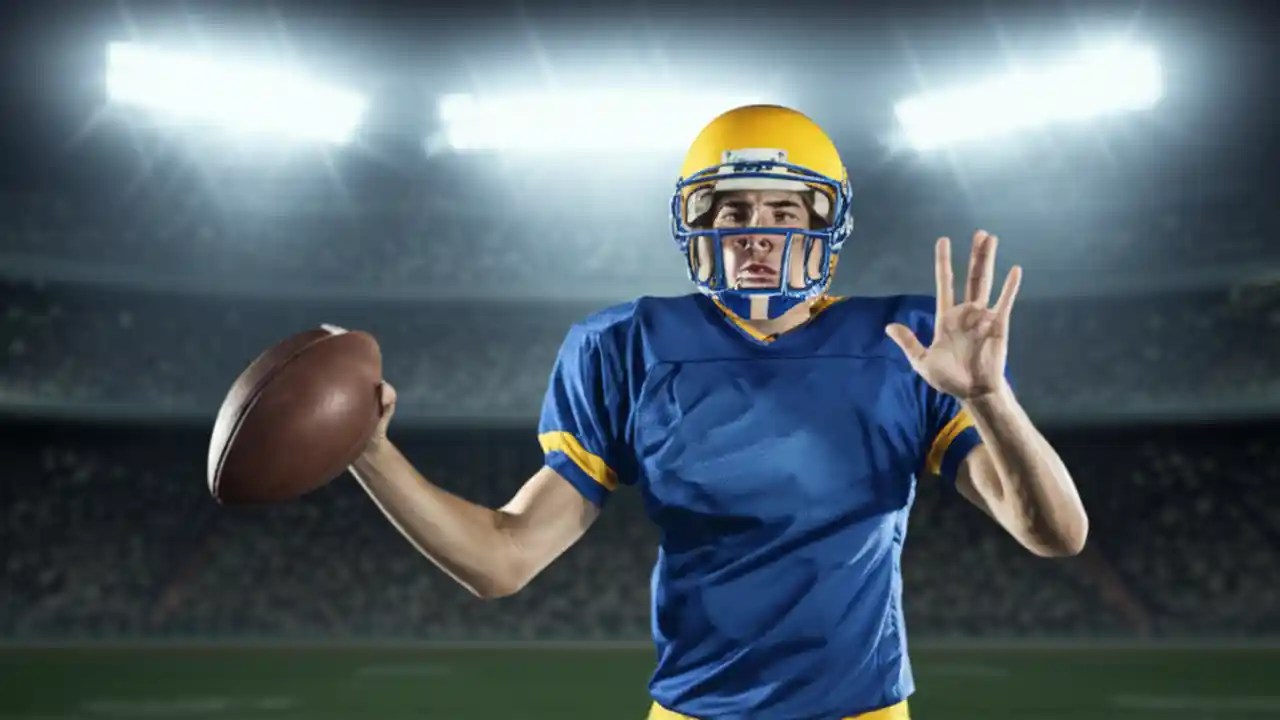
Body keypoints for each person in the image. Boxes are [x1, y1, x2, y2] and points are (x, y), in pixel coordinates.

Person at [350, 104, 1088, 720]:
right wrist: (370, 452)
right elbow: (501, 561)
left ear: (826, 221)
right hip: (693, 712)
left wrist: (990, 401)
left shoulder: (909, 341)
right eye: (732, 208)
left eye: (782, 209)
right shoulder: (626, 346)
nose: (758, 230)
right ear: (694, 222)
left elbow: (1055, 533)